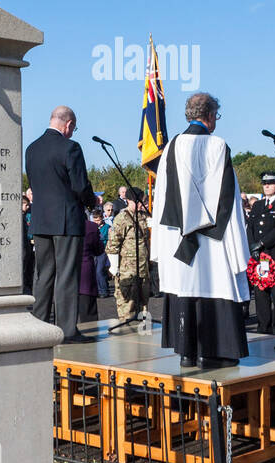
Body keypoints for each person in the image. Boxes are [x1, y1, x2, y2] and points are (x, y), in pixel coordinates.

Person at [151, 91, 250, 366]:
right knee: (215, 282)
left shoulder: (170, 147)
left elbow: (161, 198)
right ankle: (218, 351)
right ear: (209, 115)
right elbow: (228, 197)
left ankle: (187, 352)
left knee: (186, 286)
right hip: (212, 238)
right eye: (216, 115)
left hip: (178, 236)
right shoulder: (218, 146)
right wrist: (235, 242)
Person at [25, 105, 95, 343]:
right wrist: (91, 200)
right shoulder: (70, 148)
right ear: (69, 124)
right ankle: (66, 330)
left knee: (43, 274)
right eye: (73, 128)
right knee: (66, 275)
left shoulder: (32, 149)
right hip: (66, 220)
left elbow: (36, 184)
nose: (73, 133)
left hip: (40, 220)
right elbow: (79, 185)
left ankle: (39, 323)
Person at [247, 172, 275, 336]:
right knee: (260, 295)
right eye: (264, 183)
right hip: (258, 257)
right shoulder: (257, 205)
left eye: (270, 183)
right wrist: (253, 246)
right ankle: (263, 328)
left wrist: (262, 244)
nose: (266, 186)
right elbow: (250, 227)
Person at [107, 187, 151, 322]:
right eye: (138, 202)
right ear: (129, 201)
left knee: (143, 306)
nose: (141, 205)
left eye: (142, 202)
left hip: (143, 269)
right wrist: (114, 267)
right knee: (127, 307)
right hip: (127, 271)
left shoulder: (143, 217)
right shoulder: (122, 218)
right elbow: (112, 245)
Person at [78, 208, 105, 323]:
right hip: (85, 271)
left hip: (64, 273)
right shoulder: (91, 227)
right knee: (88, 314)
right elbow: (99, 250)